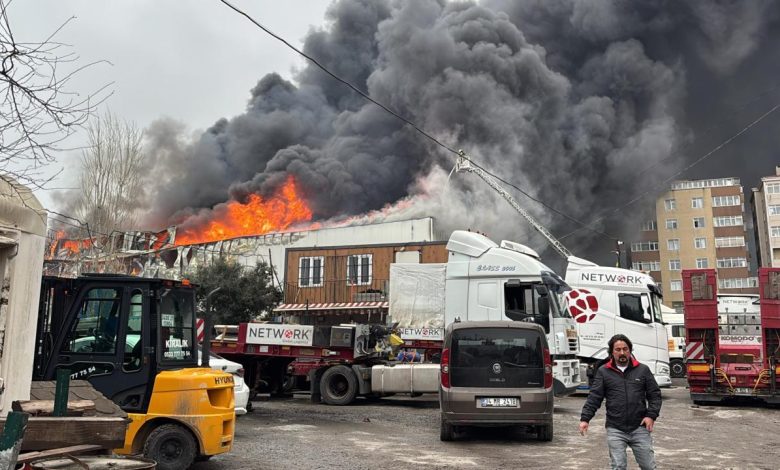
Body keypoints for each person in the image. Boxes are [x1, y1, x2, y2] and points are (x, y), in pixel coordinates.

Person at [579, 334, 662, 470]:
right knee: (618, 466)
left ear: (630, 350)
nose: (622, 353)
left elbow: (655, 395)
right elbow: (595, 397)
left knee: (648, 466)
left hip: (639, 427)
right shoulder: (603, 372)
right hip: (615, 428)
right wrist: (585, 419)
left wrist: (651, 416)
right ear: (612, 352)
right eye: (618, 349)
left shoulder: (643, 370)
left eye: (625, 349)